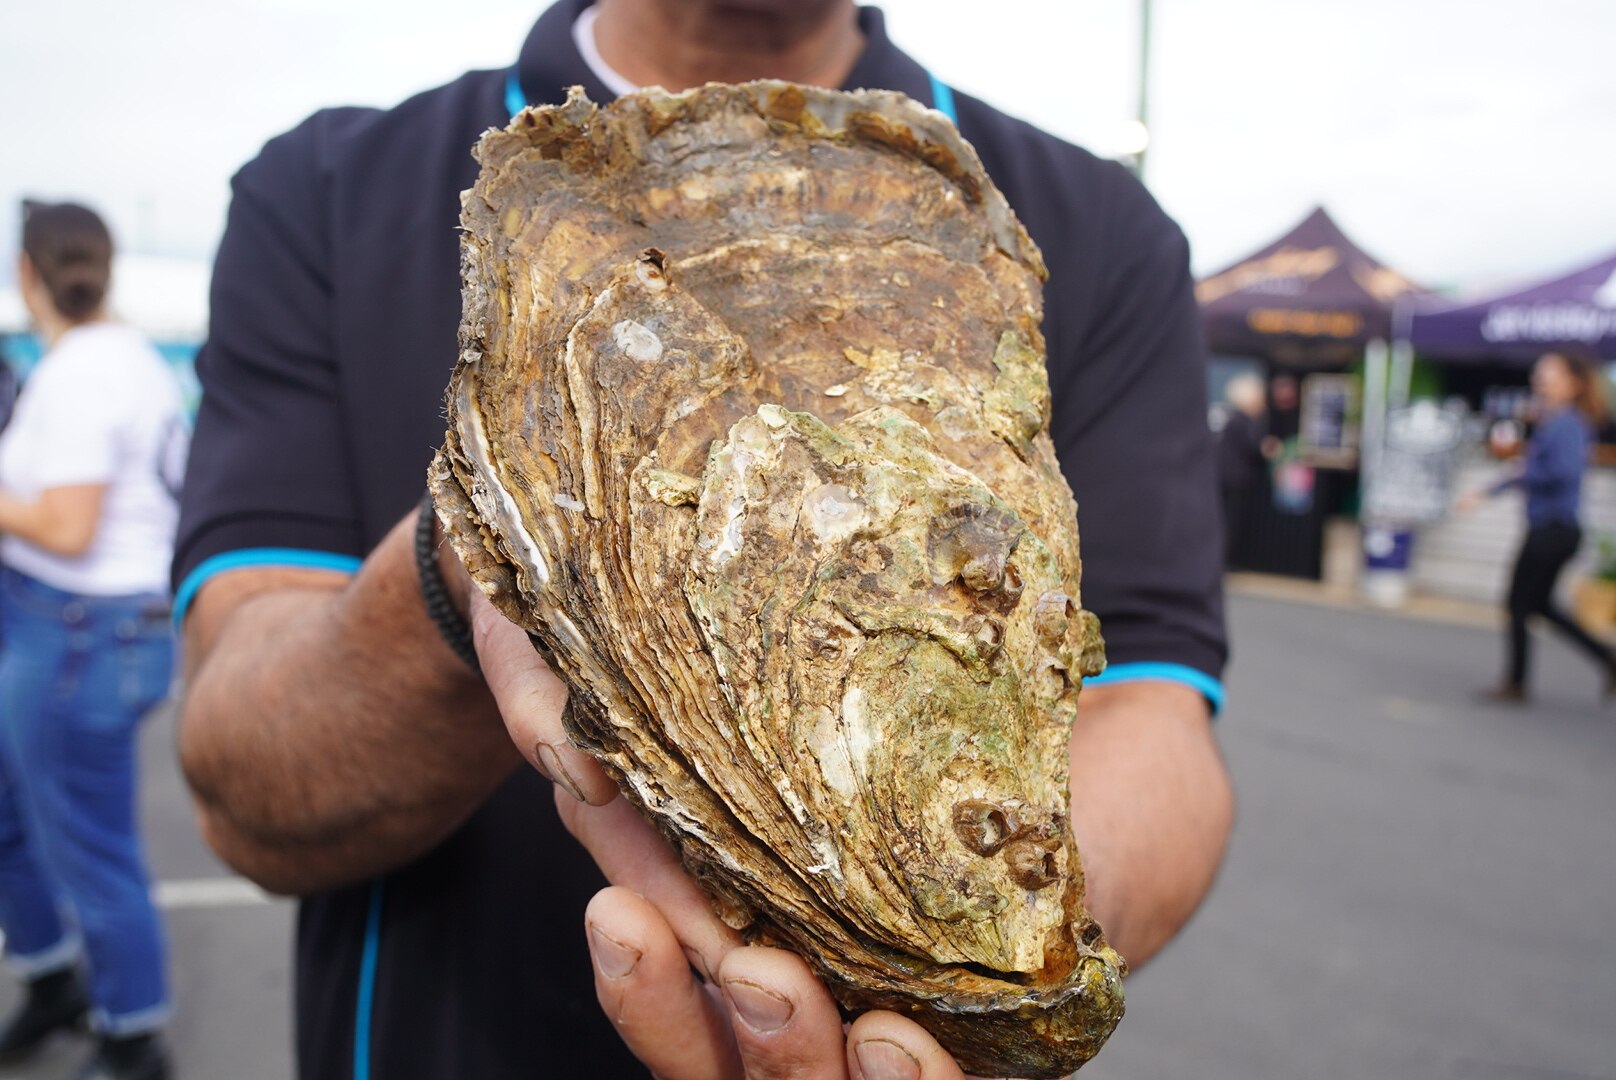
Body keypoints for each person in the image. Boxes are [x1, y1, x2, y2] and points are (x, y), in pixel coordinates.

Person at [172, 2, 1235, 1076]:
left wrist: (961, 983)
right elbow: (244, 794)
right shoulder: (327, 192)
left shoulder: (1095, 227)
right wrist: (485, 557)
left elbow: (1151, 713)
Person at [0, 201, 184, 1080]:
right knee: (34, 823)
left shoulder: (81, 372)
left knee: (90, 847)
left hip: (78, 627)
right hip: (92, 625)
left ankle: (130, 1034)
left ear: (28, 272)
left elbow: (68, 526)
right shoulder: (126, 360)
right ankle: (56, 980)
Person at [1459, 347, 1616, 702]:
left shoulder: (1568, 424)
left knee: (1518, 603)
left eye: (1549, 374)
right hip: (1553, 529)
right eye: (1539, 374)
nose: (1539, 380)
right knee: (1539, 605)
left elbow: (1562, 472)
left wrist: (1519, 473)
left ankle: (1516, 683)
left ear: (1573, 383)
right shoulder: (1556, 421)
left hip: (1554, 530)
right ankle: (1606, 657)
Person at [1217, 373, 1270, 567]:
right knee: (1229, 523)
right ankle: (1221, 561)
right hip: (1235, 479)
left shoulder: (1225, 416)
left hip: (1218, 477)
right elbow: (1256, 446)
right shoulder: (1245, 421)